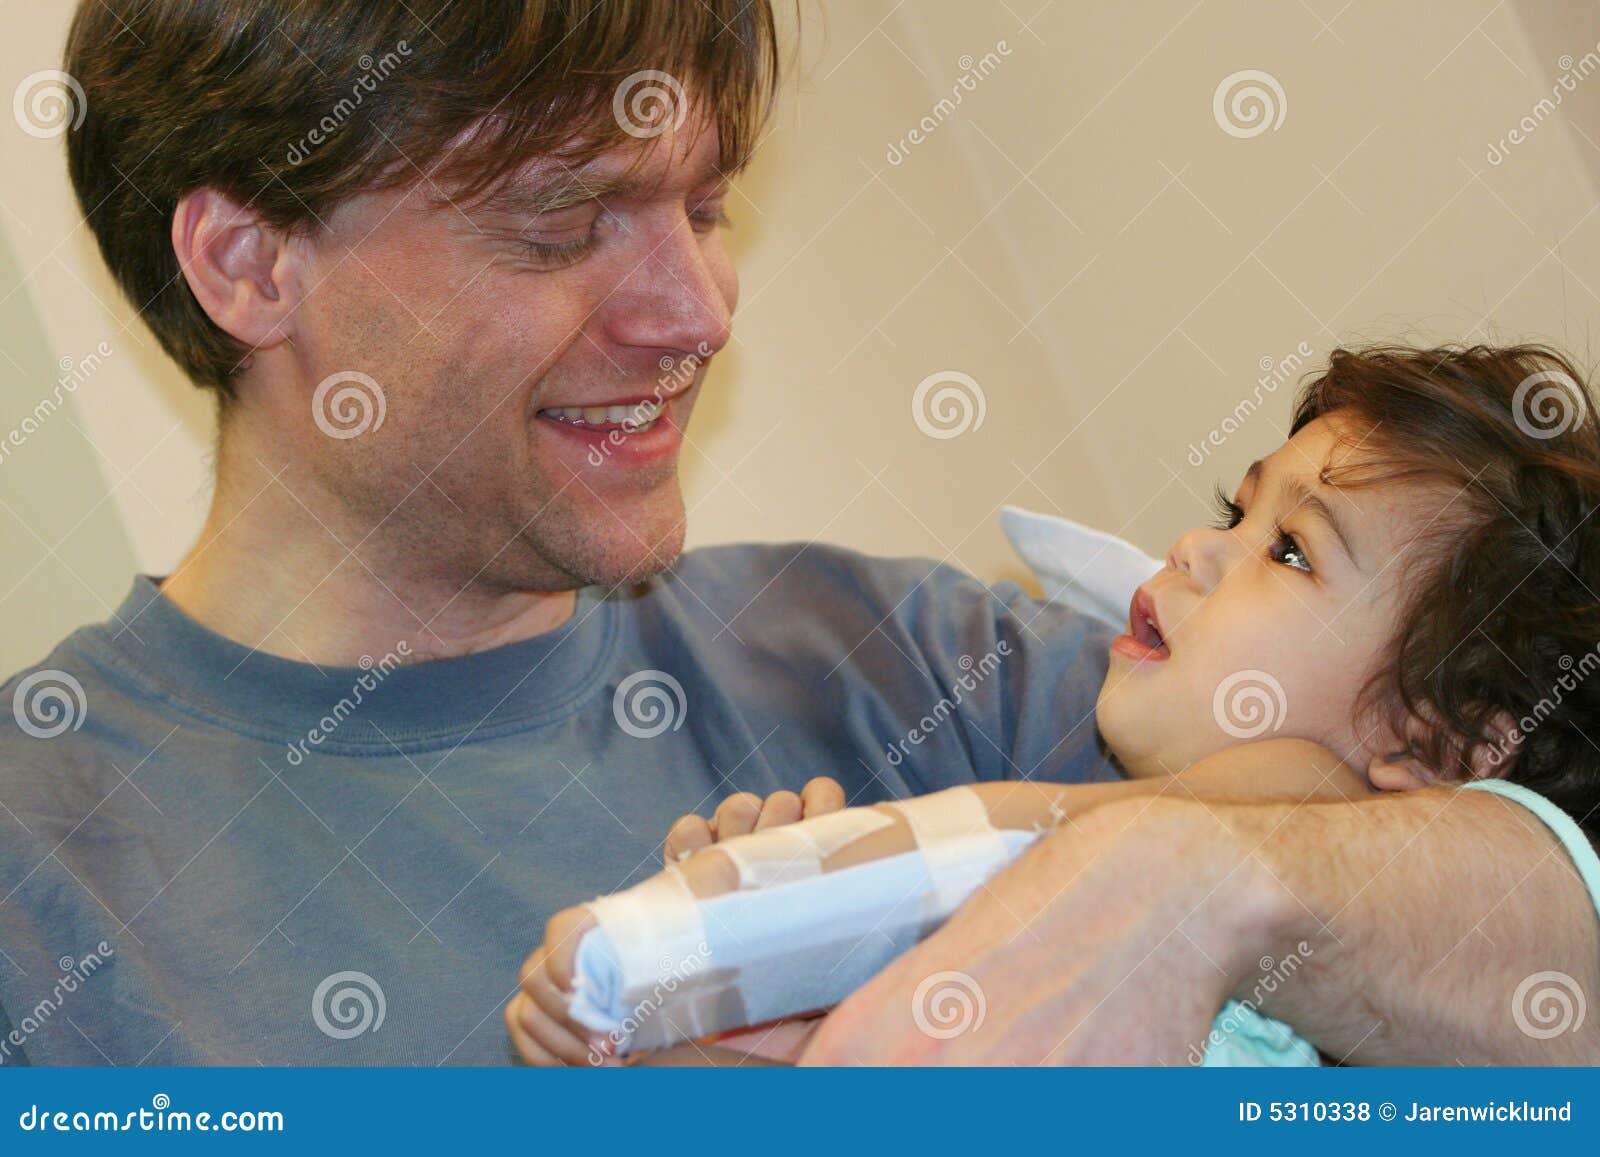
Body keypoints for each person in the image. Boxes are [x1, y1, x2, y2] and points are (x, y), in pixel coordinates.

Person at [0, 0, 1591, 1067]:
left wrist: (1200, 876)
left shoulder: (928, 662)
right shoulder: (45, 884)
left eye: (705, 207)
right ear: (247, 263)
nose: (698, 310)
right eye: (563, 224)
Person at [513, 344, 1600, 1066]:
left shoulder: (1311, 785)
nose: (1195, 547)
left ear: (1435, 739)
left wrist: (732, 916)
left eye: (1287, 550)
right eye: (1235, 506)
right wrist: (750, 1029)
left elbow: (1015, 844)